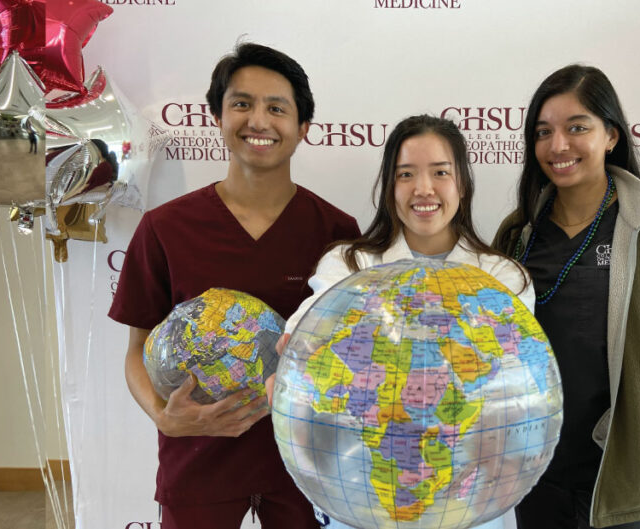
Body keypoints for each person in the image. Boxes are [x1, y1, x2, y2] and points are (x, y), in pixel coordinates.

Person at [108, 43, 359, 529]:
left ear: (302, 128)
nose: (258, 121)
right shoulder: (165, 228)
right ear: (218, 117)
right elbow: (136, 348)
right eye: (241, 104)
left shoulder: (337, 232)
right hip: (197, 458)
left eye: (277, 108)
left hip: (305, 465)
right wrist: (164, 416)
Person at [492, 65, 640, 529]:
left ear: (611, 135)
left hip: (623, 477)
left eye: (577, 127)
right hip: (536, 472)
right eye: (544, 132)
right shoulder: (518, 234)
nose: (558, 145)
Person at [278, 114, 532, 529]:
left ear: (462, 184)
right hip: (367, 493)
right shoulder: (349, 264)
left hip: (465, 498)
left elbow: (510, 388)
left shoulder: (502, 278)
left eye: (440, 173)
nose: (424, 189)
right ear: (389, 187)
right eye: (406, 174)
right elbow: (307, 332)